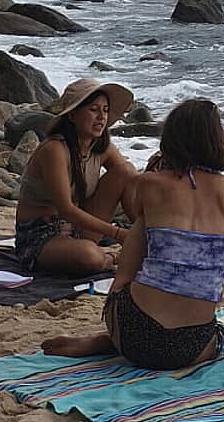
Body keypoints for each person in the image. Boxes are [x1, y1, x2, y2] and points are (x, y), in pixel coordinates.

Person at [42, 98, 224, 369]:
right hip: (192, 347)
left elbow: (145, 228)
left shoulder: (150, 183)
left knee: (144, 225)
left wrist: (156, 170)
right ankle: (112, 341)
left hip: (135, 335)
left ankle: (110, 339)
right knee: (213, 325)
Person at [14, 78, 139, 276]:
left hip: (78, 229)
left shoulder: (100, 147)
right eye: (93, 110)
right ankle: (114, 257)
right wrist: (118, 234)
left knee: (127, 171)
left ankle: (144, 234)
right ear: (72, 115)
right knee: (90, 257)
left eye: (105, 110)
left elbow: (130, 180)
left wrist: (146, 225)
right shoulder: (54, 149)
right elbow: (66, 209)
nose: (101, 117)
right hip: (41, 236)